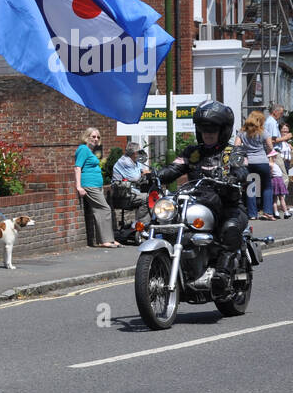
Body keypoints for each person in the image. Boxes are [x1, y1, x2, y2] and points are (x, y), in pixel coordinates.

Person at [155, 100, 249, 293]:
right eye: (204, 128)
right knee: (167, 221)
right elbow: (175, 168)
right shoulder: (193, 152)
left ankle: (222, 273)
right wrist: (154, 176)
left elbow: (242, 170)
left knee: (230, 229)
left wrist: (234, 176)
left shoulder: (233, 152)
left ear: (222, 130)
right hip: (197, 203)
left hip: (228, 206)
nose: (207, 133)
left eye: (212, 129)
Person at [74, 127, 120, 247]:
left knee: (100, 211)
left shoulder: (89, 151)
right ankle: (106, 240)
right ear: (86, 137)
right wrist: (79, 186)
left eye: (98, 137)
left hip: (96, 185)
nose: (95, 139)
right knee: (105, 209)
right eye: (93, 136)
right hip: (89, 185)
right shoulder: (83, 149)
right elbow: (77, 167)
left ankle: (107, 240)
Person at [237, 111, 274, 220]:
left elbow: (236, 147)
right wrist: (266, 152)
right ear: (260, 120)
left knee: (251, 188)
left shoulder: (242, 132)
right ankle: (267, 212)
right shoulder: (264, 132)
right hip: (262, 162)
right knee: (267, 187)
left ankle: (252, 214)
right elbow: (270, 147)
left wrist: (246, 150)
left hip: (249, 163)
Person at [111, 141, 152, 228]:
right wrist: (143, 173)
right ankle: (139, 225)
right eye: (139, 152)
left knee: (154, 195)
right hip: (122, 193)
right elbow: (135, 177)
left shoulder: (135, 161)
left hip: (132, 190)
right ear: (134, 153)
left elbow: (144, 171)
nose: (141, 154)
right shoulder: (125, 162)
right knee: (147, 198)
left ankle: (145, 224)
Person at [270, 124, 293, 219]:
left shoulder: (286, 141)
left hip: (287, 162)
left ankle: (282, 206)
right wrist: (285, 138)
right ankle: (282, 206)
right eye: (283, 129)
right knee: (284, 182)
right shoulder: (279, 139)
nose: (285, 130)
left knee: (285, 181)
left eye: (287, 129)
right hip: (281, 162)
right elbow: (277, 149)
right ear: (280, 130)